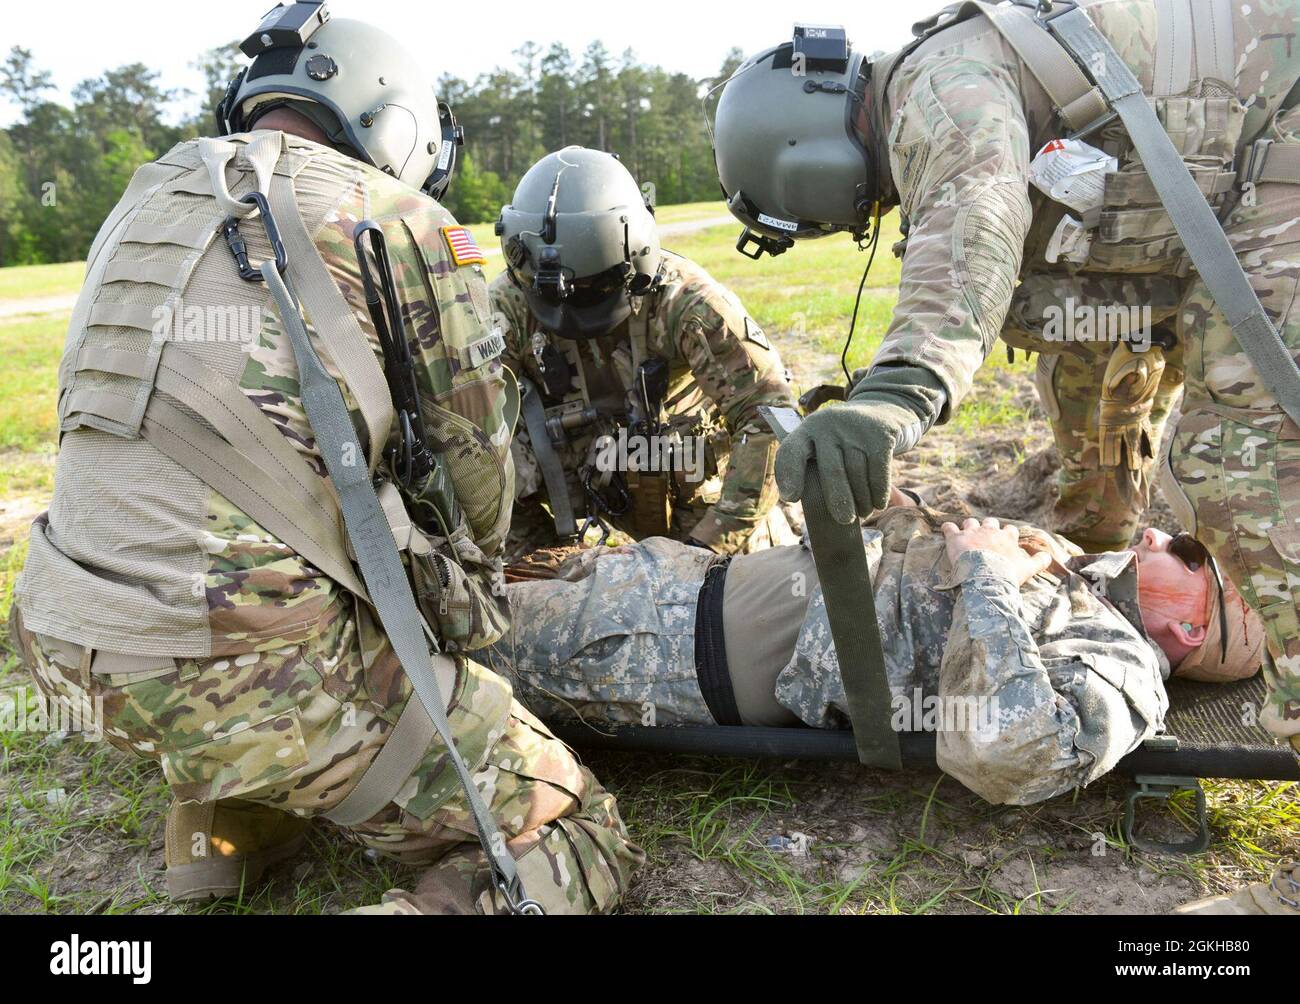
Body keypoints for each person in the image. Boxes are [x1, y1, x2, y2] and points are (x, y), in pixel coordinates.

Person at [9, 5, 641, 915]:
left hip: (65, 643)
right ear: (397, 122)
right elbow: (478, 492)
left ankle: (219, 833)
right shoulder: (402, 221)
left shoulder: (141, 202)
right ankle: (277, 768)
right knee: (577, 828)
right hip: (239, 679)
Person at [710, 0, 1300, 909]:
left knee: (1243, 467)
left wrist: (897, 396)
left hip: (1280, 156)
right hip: (1224, 187)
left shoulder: (936, 89)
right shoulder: (958, 70)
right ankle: (1145, 575)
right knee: (1080, 386)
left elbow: (977, 222)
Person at [488, 496, 1263, 807]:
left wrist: (985, 576)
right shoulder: (1084, 576)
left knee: (415, 633)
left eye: (1190, 550)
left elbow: (1012, 751)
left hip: (657, 645)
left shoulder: (1119, 666)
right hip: (672, 583)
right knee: (457, 582)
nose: (1158, 532)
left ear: (1192, 629)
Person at [492, 147, 800, 561]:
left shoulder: (686, 303)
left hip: (700, 503)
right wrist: (545, 561)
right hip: (587, 493)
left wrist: (707, 547)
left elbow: (770, 414)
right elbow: (465, 444)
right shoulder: (503, 310)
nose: (573, 315)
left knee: (751, 604)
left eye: (595, 291)